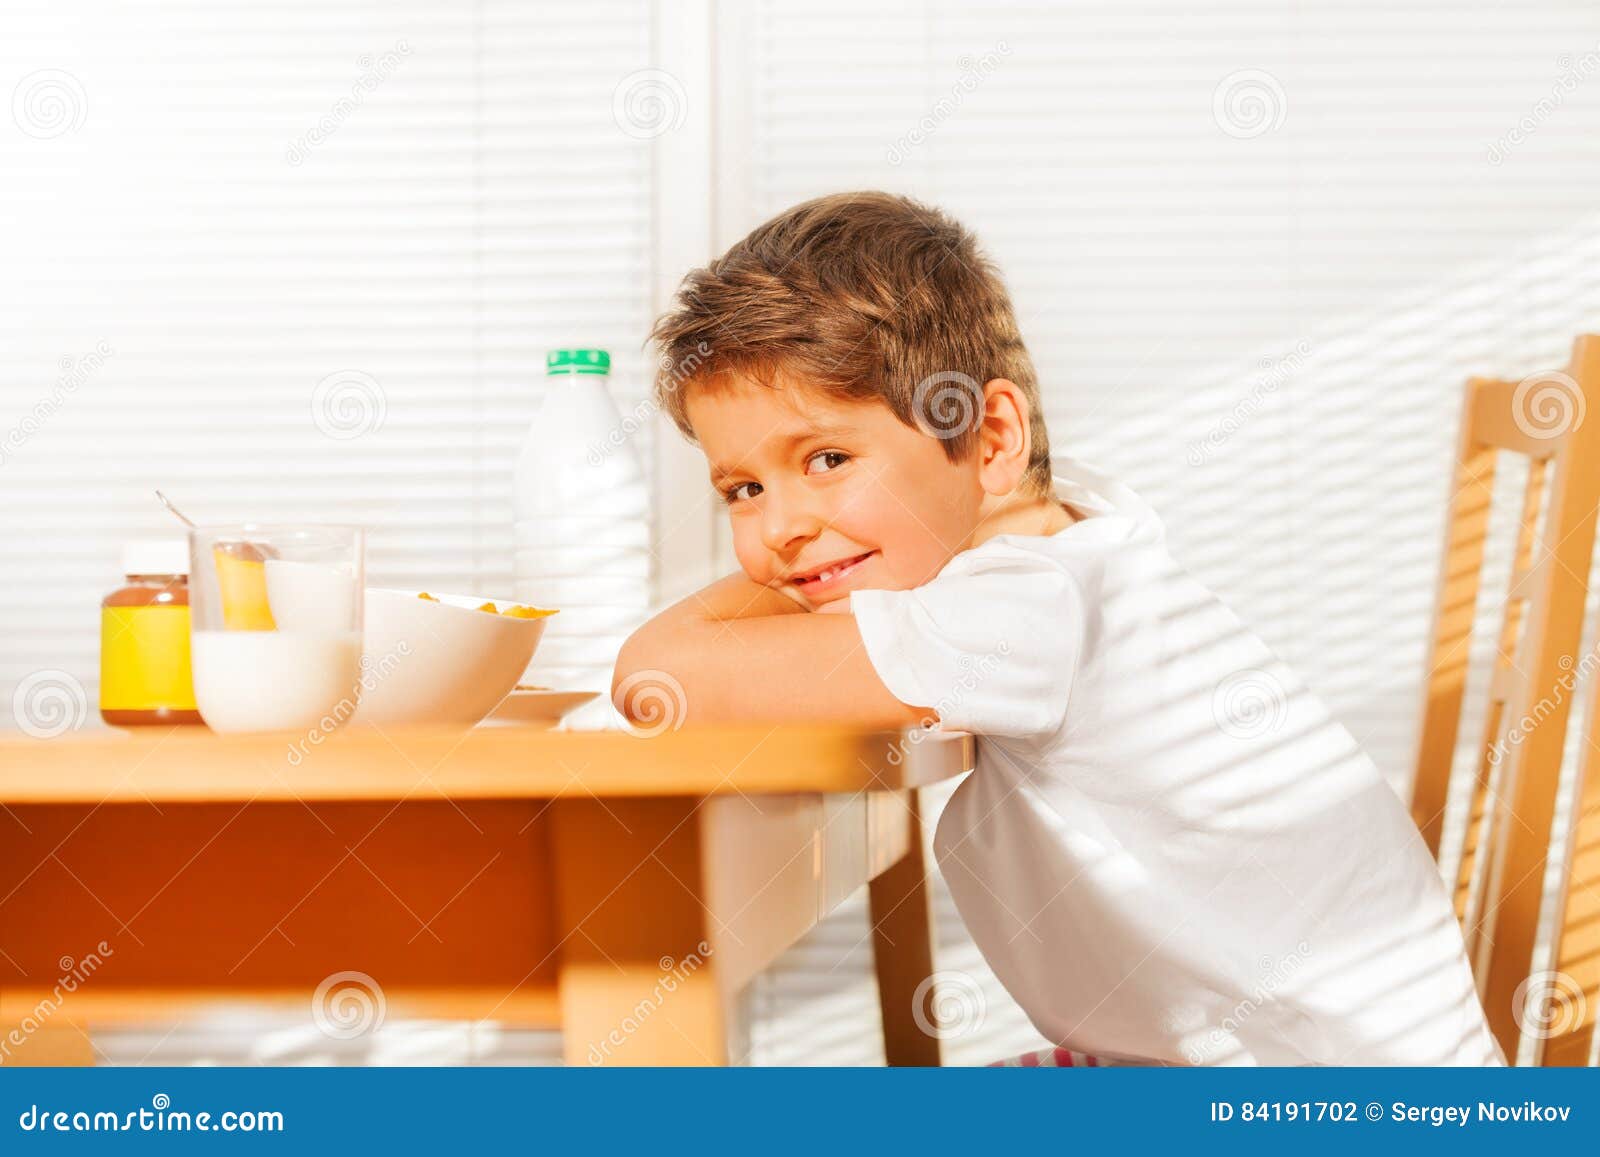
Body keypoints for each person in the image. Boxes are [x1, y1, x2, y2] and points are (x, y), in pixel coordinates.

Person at [613, 190, 1503, 1066]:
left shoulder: (1023, 606)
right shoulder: (1069, 538)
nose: (777, 527)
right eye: (743, 490)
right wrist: (820, 550)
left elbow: (660, 677)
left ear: (990, 436)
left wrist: (795, 567)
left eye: (827, 459)